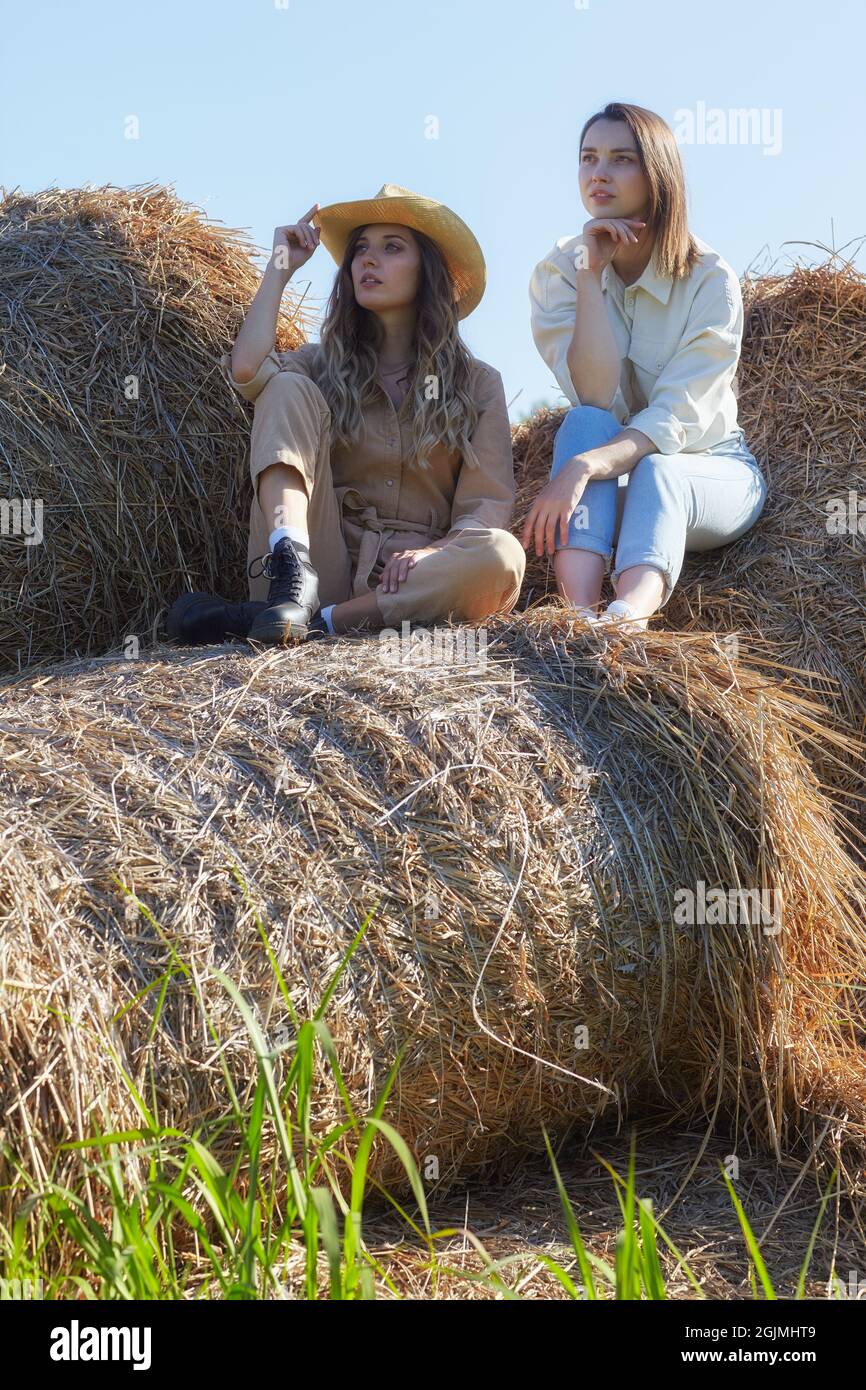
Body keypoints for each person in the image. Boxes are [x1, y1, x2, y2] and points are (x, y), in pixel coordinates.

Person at [166, 183, 525, 646]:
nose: (367, 261)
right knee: (285, 385)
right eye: (360, 250)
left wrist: (433, 553)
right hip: (320, 563)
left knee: (502, 555)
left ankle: (319, 624)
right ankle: (290, 572)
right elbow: (248, 370)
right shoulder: (322, 364)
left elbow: (486, 507)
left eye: (391, 248)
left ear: (429, 273)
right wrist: (281, 267)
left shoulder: (478, 383)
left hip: (413, 583)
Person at [525, 101, 767, 631]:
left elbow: (672, 422)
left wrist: (585, 466)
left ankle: (626, 621)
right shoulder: (559, 272)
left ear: (656, 172)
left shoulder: (709, 279)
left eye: (620, 159)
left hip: (710, 470)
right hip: (620, 480)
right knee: (584, 424)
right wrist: (591, 277)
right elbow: (593, 394)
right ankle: (579, 621)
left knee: (659, 467)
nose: (599, 173)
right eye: (588, 158)